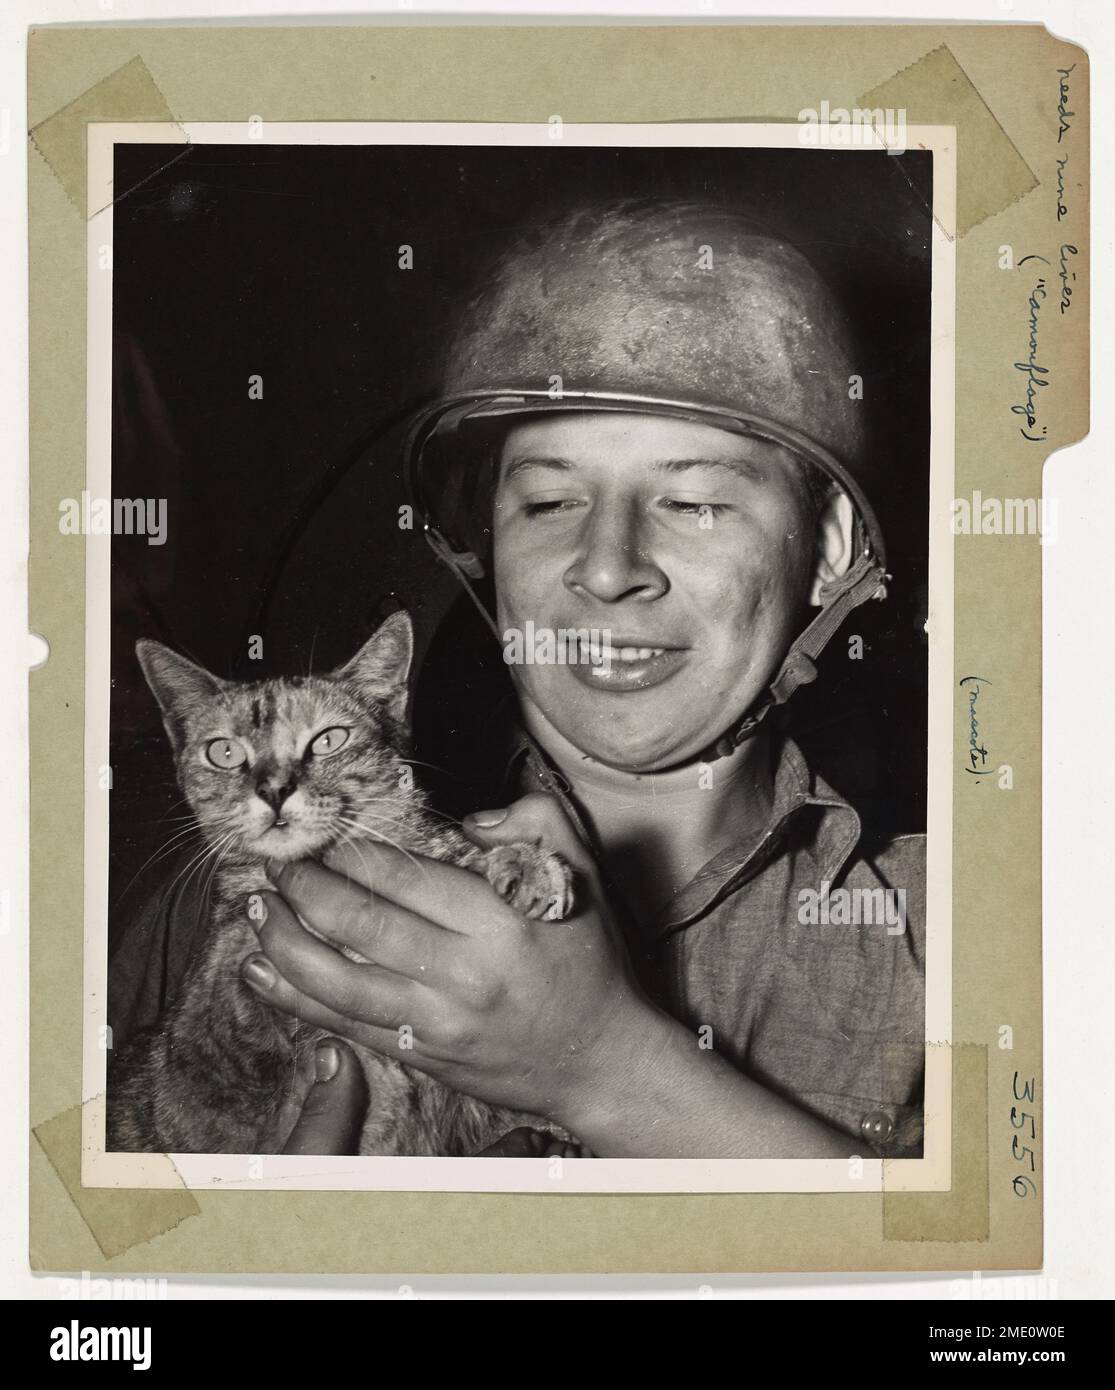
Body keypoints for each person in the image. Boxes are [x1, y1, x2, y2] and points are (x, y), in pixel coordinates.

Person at [110, 200, 926, 1159]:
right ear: (486, 546)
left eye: (694, 500)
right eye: (547, 501)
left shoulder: (939, 936)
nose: (609, 567)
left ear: (827, 550)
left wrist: (605, 1067)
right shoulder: (213, 906)